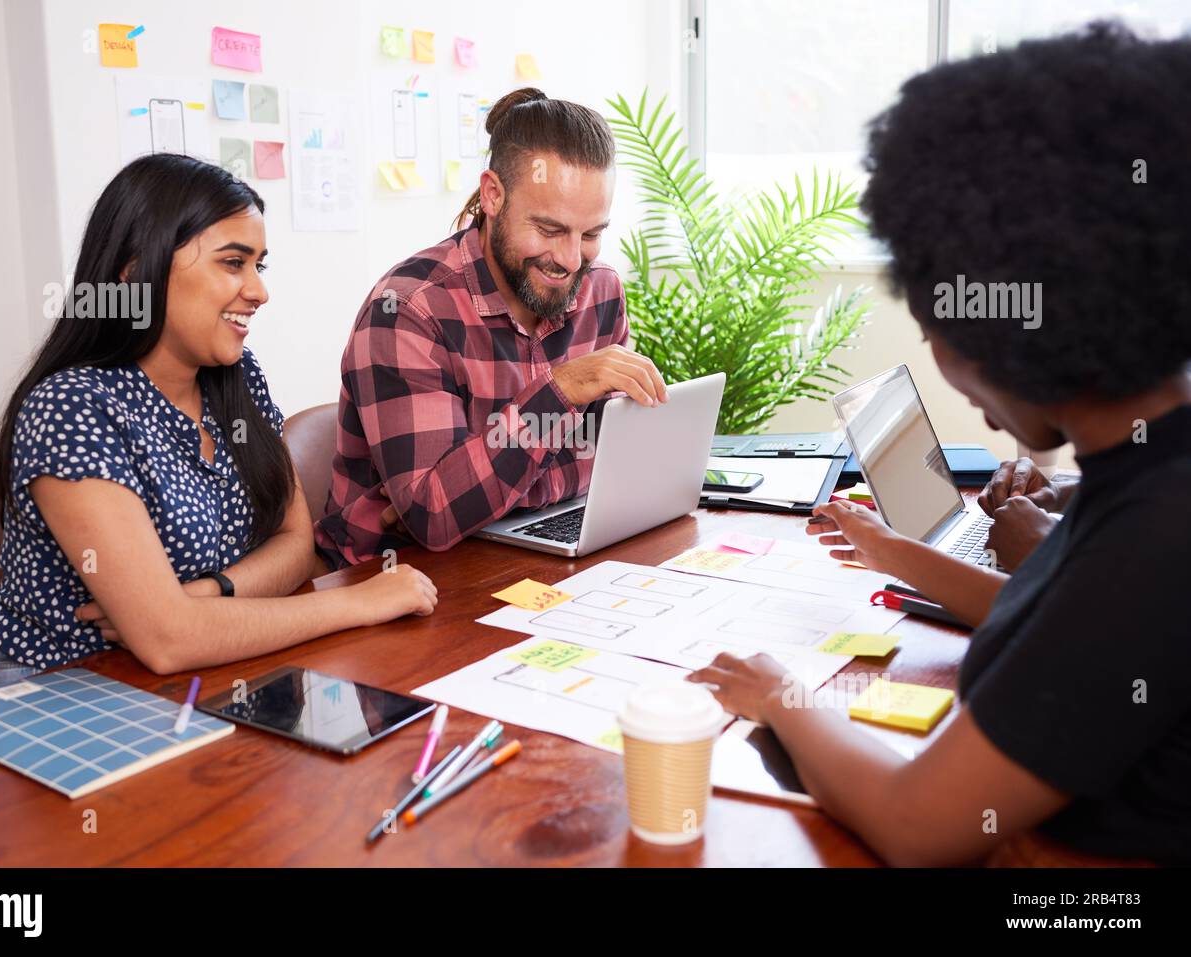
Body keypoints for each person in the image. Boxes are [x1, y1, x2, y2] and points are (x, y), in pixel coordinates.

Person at [688, 23, 1191, 865]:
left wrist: (782, 694)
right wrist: (896, 553)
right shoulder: (1149, 467)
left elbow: (917, 823)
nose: (947, 369)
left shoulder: (1159, 533)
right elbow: (1071, 636)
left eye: (939, 330)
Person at [0, 154, 436, 683]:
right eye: (232, 263)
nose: (259, 291)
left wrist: (211, 595)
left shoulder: (235, 374)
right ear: (136, 274)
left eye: (258, 265)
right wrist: (360, 602)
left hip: (216, 664)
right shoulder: (71, 407)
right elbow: (169, 641)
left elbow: (295, 544)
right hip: (71, 690)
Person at [314, 88, 668, 568]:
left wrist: (491, 483)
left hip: (530, 552)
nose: (569, 260)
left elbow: (616, 460)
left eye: (591, 234)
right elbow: (435, 516)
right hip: (395, 579)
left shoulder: (600, 291)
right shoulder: (409, 311)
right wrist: (562, 390)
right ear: (493, 195)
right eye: (548, 230)